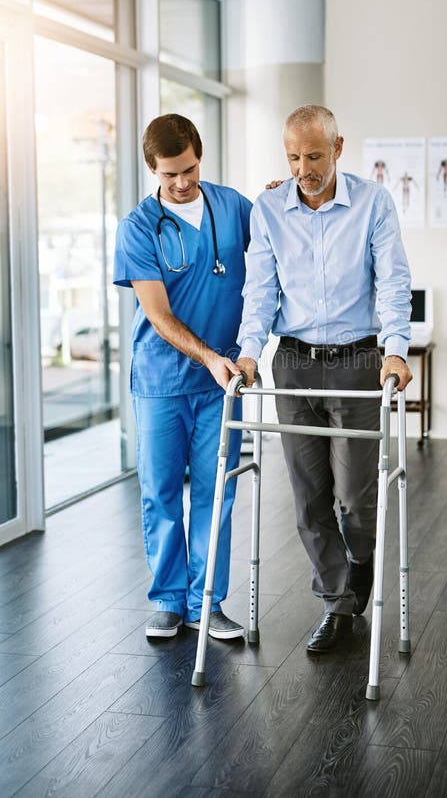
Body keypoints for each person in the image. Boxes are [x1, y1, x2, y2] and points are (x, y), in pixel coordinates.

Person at [236, 105, 412, 653]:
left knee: (358, 501)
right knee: (309, 499)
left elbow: (394, 281)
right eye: (292, 157)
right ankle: (337, 604)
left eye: (314, 155)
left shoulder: (373, 203)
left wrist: (396, 350)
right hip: (292, 362)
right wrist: (247, 353)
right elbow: (261, 290)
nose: (303, 168)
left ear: (338, 147)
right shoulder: (268, 208)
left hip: (358, 361)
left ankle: (359, 564)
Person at [113, 114, 252, 641]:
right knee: (162, 491)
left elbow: (274, 248)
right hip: (161, 379)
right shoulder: (139, 227)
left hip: (223, 381)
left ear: (200, 155)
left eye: (189, 169)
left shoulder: (234, 206)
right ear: (153, 168)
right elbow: (159, 314)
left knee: (216, 493)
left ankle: (208, 602)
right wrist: (209, 356)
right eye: (170, 174)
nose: (182, 182)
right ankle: (170, 599)